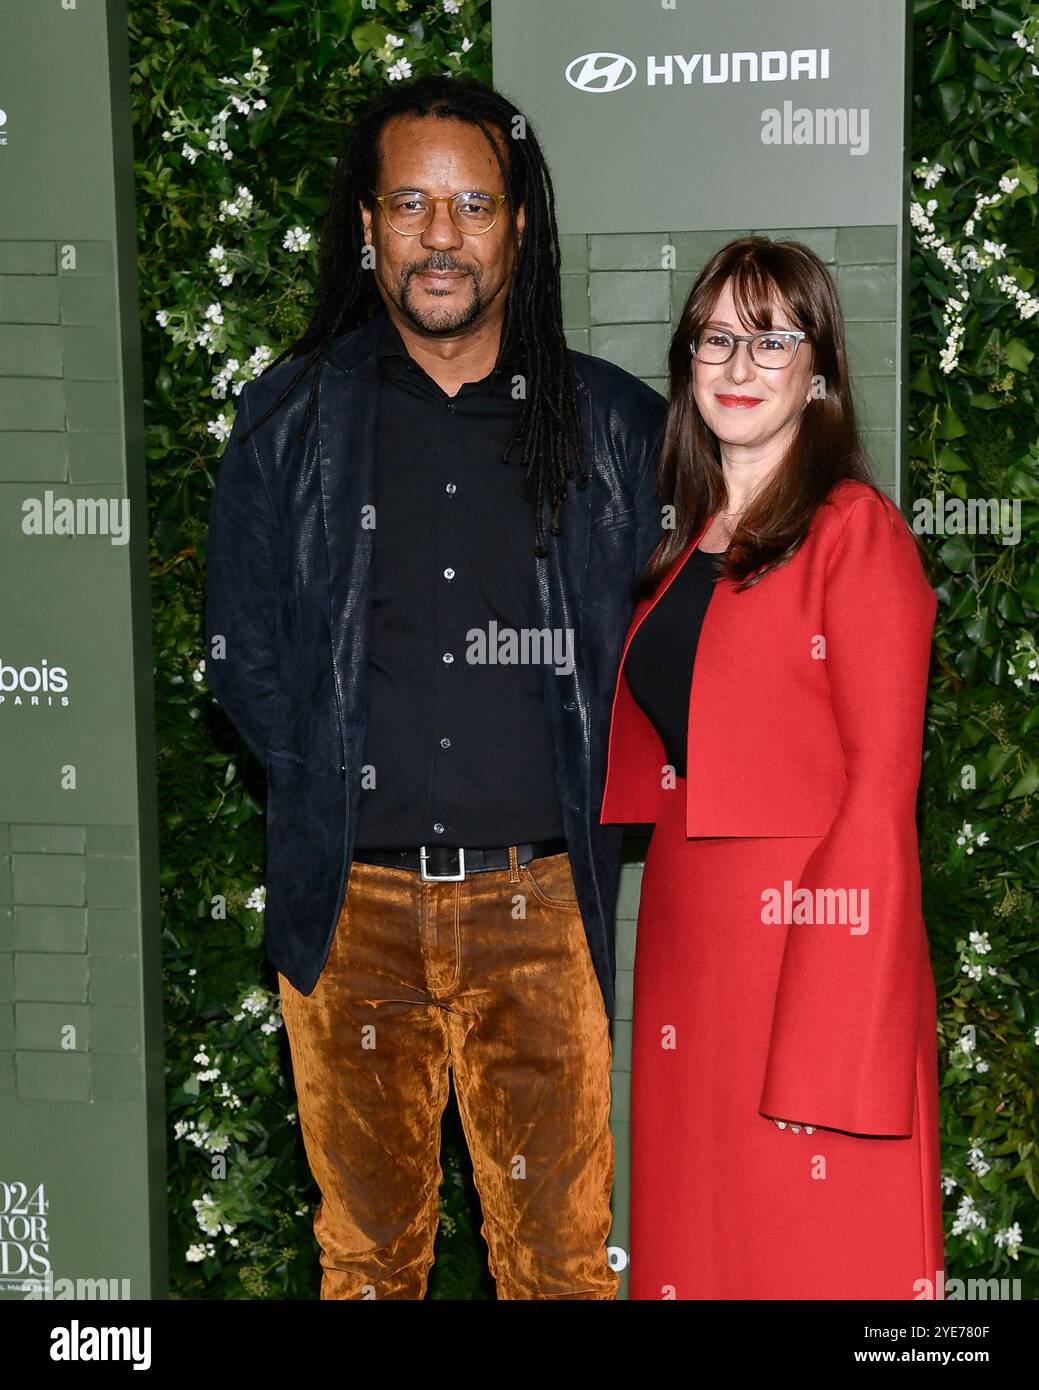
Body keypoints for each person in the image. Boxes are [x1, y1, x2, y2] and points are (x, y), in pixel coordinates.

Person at [205, 75, 666, 1299]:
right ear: (368, 226)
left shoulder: (615, 428)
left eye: (473, 204)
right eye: (412, 204)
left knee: (561, 1267)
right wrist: (327, 782)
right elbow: (241, 655)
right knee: (365, 1266)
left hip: (541, 913)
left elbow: (693, 640)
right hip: (350, 917)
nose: (442, 235)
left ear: (519, 224)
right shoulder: (287, 423)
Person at [600, 236, 944, 1299]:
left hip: (812, 950)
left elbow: (881, 800)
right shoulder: (681, 547)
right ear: (686, 361)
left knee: (815, 1250)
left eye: (770, 338)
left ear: (819, 369)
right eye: (716, 338)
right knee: (701, 1248)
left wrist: (829, 1042)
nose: (738, 366)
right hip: (690, 943)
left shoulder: (856, 533)